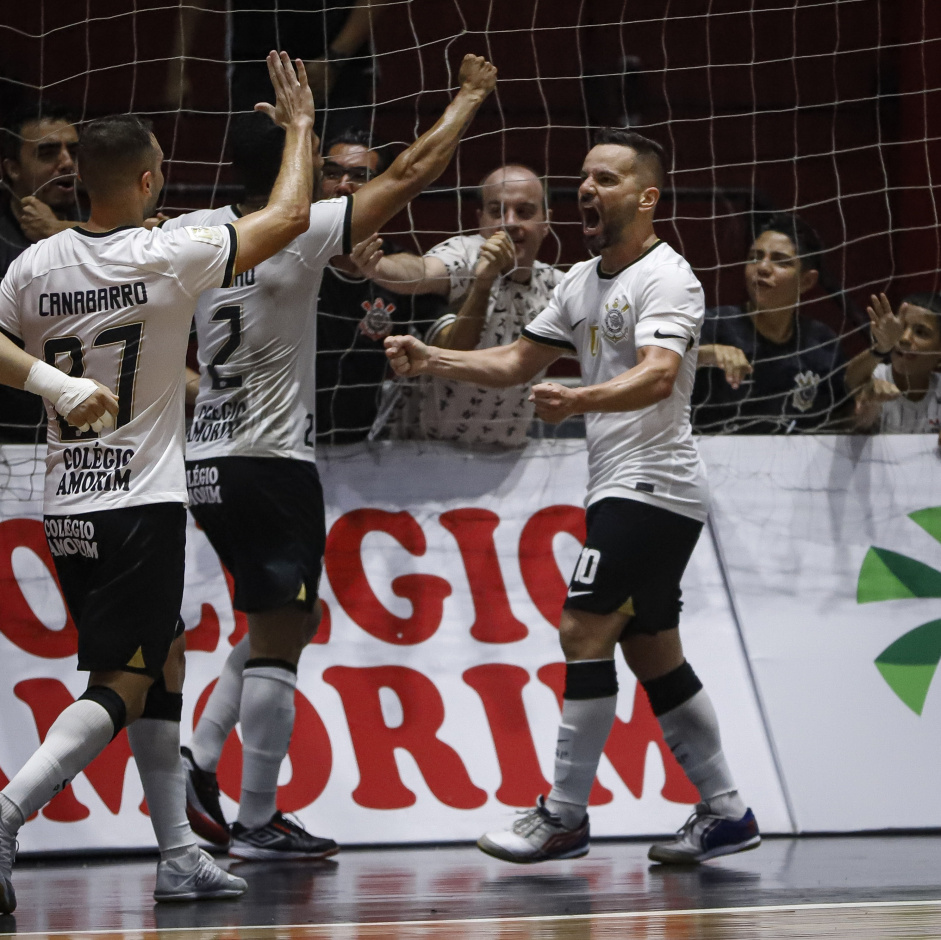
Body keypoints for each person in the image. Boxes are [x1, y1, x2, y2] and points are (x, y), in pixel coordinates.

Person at [0, 49, 320, 911]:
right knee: (124, 679)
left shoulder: (33, 265)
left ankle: (178, 855)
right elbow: (290, 215)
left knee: (163, 660)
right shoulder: (167, 255)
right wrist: (298, 129)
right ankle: (9, 810)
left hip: (65, 504)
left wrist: (55, 383)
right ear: (148, 180)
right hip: (140, 506)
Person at [385, 128, 759, 865]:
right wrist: (433, 356)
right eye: (584, 178)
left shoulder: (668, 276)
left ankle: (562, 814)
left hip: (653, 484)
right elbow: (518, 360)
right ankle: (726, 811)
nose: (586, 189)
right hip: (619, 486)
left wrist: (581, 397)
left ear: (646, 197)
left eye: (607, 179)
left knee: (582, 631)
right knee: (653, 655)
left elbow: (656, 376)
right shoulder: (579, 281)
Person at [164, 55, 496, 859]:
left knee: (284, 615)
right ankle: (253, 819)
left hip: (205, 460)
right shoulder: (305, 232)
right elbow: (414, 169)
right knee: (282, 638)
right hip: (271, 461)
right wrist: (468, 97)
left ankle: (199, 762)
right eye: (307, 159)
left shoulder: (187, 233)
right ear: (285, 164)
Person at [354, 163, 563, 446]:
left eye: (524, 212)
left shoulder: (560, 288)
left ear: (546, 221)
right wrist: (379, 267)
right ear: (480, 219)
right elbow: (422, 271)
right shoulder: (465, 254)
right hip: (415, 453)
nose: (510, 222)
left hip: (503, 460)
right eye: (496, 211)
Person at [315, 128, 446, 443]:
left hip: (361, 448)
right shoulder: (289, 256)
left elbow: (450, 340)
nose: (344, 186)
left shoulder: (398, 269)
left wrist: (481, 286)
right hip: (283, 445)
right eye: (333, 173)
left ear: (382, 188)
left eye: (359, 176)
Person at [691, 213, 850, 434]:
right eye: (755, 257)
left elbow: (843, 417)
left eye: (780, 261)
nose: (763, 268)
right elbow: (658, 366)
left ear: (807, 281)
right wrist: (707, 354)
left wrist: (866, 407)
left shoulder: (822, 343)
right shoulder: (713, 325)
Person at [165, 0, 393, 140]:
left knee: (338, 176)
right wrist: (177, 71)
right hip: (256, 71)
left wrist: (334, 59)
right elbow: (192, 5)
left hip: (342, 74)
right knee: (264, 181)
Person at [0, 103, 81, 443]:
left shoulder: (106, 221)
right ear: (13, 169)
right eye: (48, 153)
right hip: (13, 439)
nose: (66, 163)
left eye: (73, 151)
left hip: (94, 436)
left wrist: (58, 229)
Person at [849, 292, 941, 433]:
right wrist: (881, 348)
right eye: (901, 327)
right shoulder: (873, 376)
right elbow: (849, 378)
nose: (904, 338)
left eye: (921, 332)